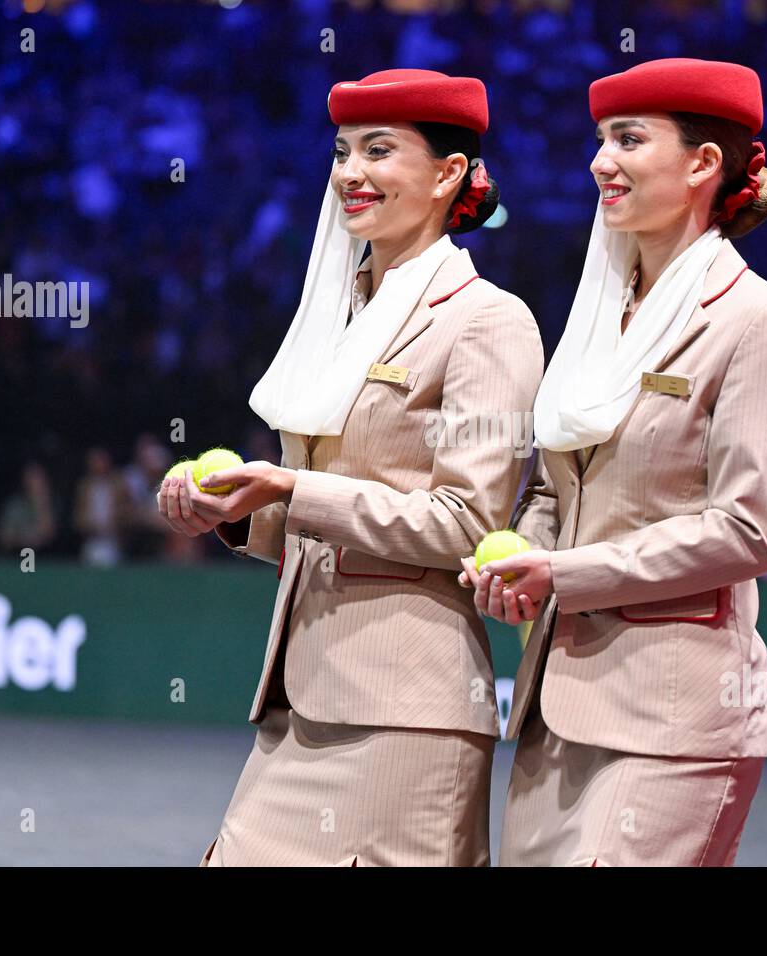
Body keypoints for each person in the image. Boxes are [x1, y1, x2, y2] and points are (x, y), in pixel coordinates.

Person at [158, 69, 543, 865]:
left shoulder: (489, 321)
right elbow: (318, 519)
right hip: (302, 699)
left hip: (405, 714)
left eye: (378, 150)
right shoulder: (337, 314)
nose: (350, 173)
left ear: (448, 175)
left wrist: (294, 488)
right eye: (340, 152)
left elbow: (467, 524)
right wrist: (234, 508)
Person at [461, 58, 767, 865]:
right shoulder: (594, 316)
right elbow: (559, 485)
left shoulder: (763, 322)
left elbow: (750, 530)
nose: (600, 160)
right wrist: (526, 556)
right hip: (556, 712)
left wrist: (566, 572)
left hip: (676, 718)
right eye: (599, 140)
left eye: (628, 138)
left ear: (702, 164)